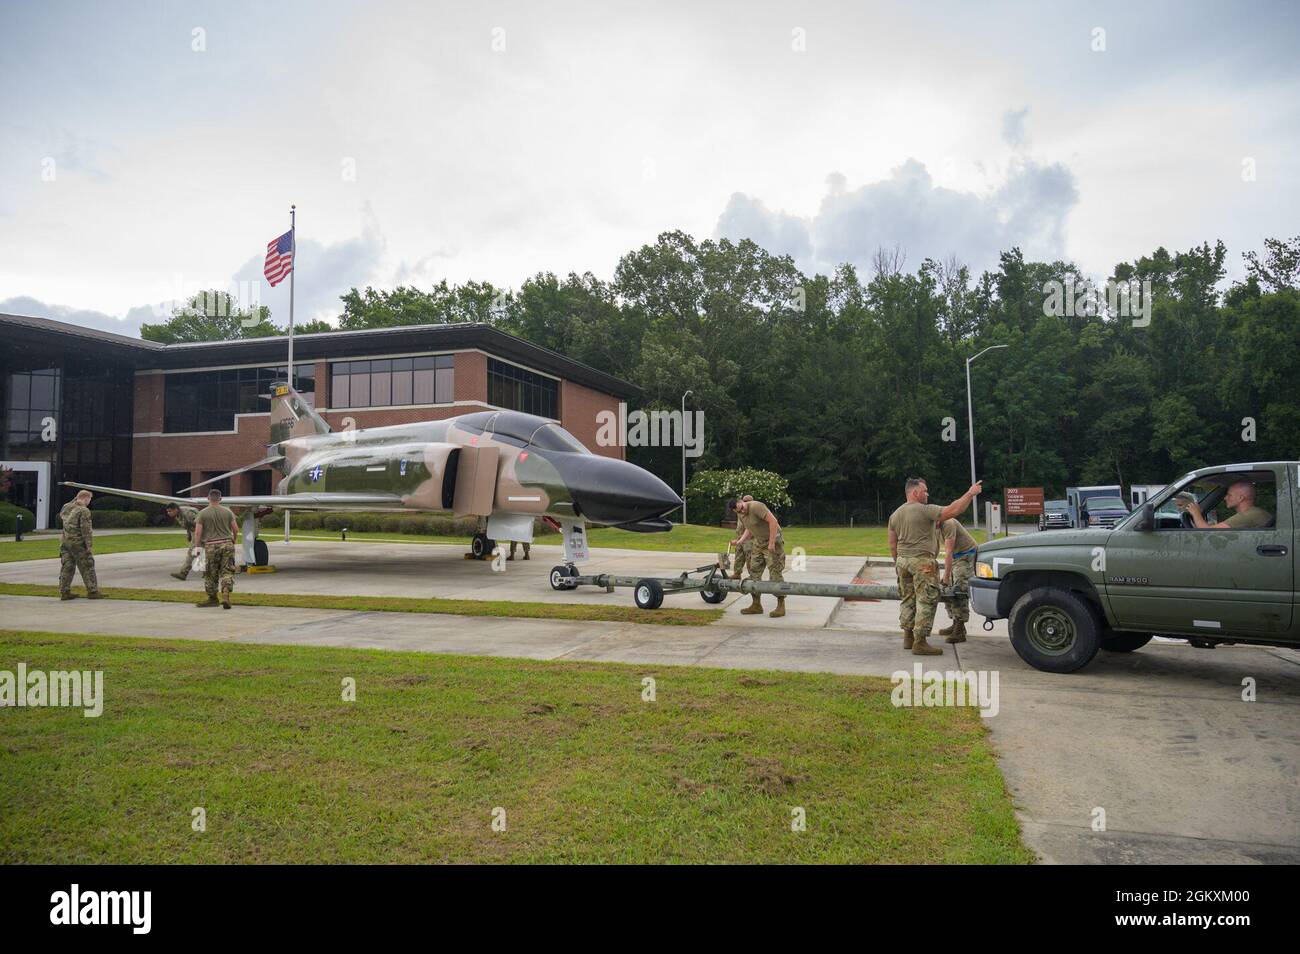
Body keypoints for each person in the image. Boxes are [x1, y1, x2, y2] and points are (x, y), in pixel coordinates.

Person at [887, 477, 982, 656]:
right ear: (915, 492)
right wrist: (970, 493)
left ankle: (908, 637)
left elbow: (892, 544)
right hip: (922, 562)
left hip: (902, 561)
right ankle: (920, 642)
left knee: (908, 599)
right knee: (926, 600)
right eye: (925, 491)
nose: (927, 494)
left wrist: (897, 563)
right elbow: (954, 509)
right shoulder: (925, 510)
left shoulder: (895, 515)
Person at [730, 497, 786, 618]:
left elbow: (773, 522)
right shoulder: (741, 514)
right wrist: (740, 541)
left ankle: (781, 605)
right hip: (759, 542)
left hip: (773, 541)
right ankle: (756, 605)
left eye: (742, 509)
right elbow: (749, 529)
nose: (742, 512)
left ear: (742, 502)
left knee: (775, 572)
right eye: (738, 511)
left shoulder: (756, 506)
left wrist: (771, 543)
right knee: (753, 571)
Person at [193, 489, 239, 609]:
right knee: (227, 571)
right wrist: (234, 540)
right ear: (220, 499)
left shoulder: (202, 513)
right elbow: (235, 529)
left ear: (208, 498)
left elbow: (198, 532)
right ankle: (225, 593)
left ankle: (212, 598)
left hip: (211, 546)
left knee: (210, 573)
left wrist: (197, 547)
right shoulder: (228, 512)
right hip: (227, 544)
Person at [937, 517, 978, 643]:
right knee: (947, 590)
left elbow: (948, 551)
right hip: (955, 557)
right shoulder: (933, 525)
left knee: (959, 590)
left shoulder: (948, 523)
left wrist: (946, 575)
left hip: (966, 555)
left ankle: (959, 630)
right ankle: (956, 624)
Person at [58, 490, 102, 600]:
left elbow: (64, 517)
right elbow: (86, 530)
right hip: (78, 543)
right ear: (86, 498)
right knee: (87, 566)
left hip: (65, 542)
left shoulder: (66, 507)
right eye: (89, 499)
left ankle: (64, 591)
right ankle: (92, 591)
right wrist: (89, 546)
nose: (89, 502)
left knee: (67, 566)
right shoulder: (84, 511)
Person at [1180, 480, 1273, 529]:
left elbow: (1207, 532)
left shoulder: (1248, 516)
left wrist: (1196, 513)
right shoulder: (1255, 512)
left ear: (1240, 498)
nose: (1225, 498)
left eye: (1229, 495)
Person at [165, 502, 201, 580]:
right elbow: (188, 525)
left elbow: (200, 523)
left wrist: (197, 537)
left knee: (193, 552)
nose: (168, 513)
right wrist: (189, 534)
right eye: (167, 511)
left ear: (176, 509)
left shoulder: (188, 513)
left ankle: (183, 573)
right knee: (198, 552)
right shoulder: (178, 515)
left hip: (202, 531)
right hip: (195, 531)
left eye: (170, 511)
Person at [725, 495, 755, 580]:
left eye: (748, 501)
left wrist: (741, 539)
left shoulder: (751, 511)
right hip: (740, 538)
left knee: (750, 558)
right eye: (744, 501)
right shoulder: (740, 511)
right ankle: (737, 574)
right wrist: (738, 540)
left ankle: (752, 576)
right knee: (738, 557)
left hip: (749, 539)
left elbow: (750, 528)